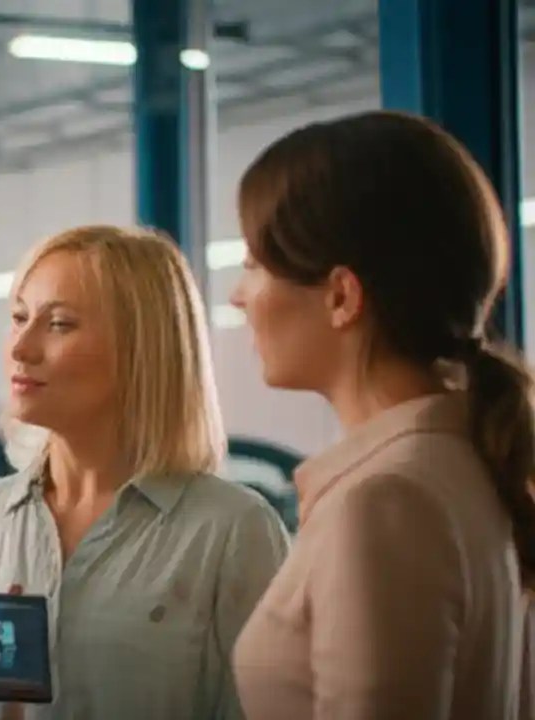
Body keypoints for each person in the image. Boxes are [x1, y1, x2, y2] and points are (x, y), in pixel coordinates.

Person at [0, 226, 291, 719]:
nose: (21, 348)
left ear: (143, 347)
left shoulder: (233, 530)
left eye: (60, 324)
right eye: (19, 317)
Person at [228, 110, 533, 719]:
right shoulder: (465, 463)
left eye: (255, 265)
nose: (239, 296)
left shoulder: (384, 500)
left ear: (342, 296)